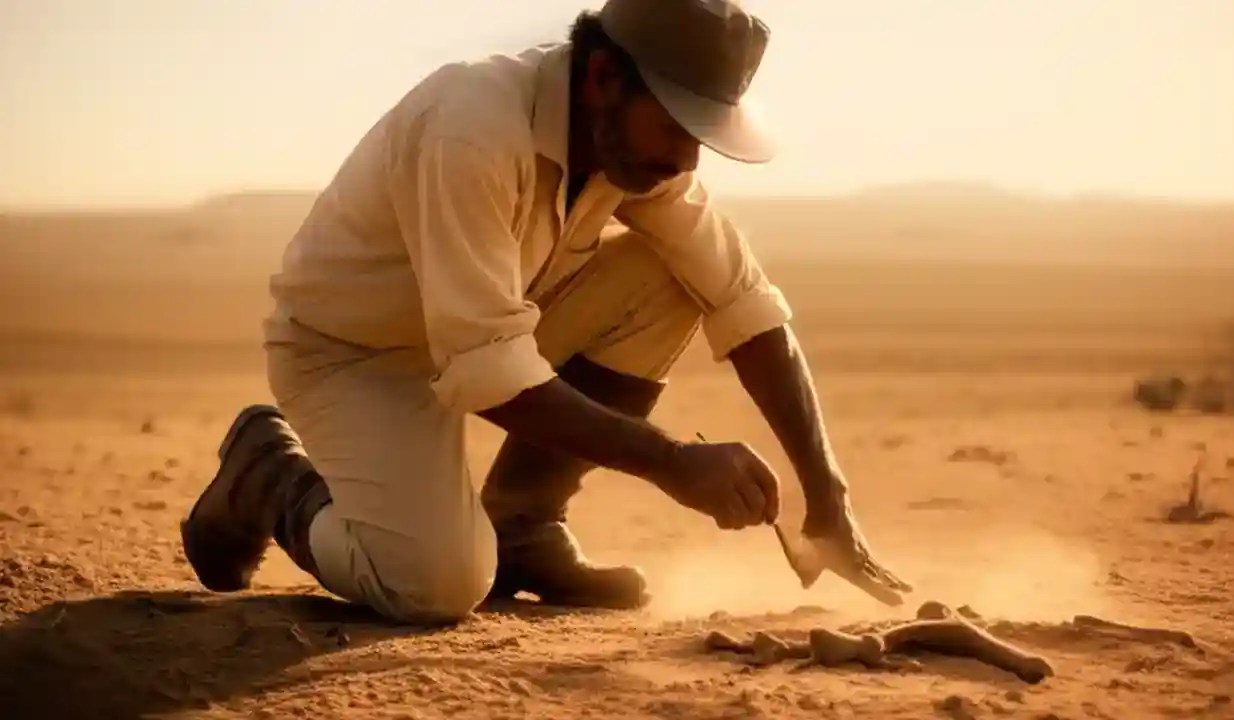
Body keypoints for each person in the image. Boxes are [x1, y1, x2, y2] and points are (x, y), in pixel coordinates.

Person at [181, 0, 906, 625]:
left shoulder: (634, 153)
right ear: (601, 79)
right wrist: (672, 463)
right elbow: (489, 371)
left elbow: (743, 300)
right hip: (354, 354)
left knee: (670, 273)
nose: (688, 159)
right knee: (436, 586)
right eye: (679, 126)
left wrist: (827, 496)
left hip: (477, 332)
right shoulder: (473, 128)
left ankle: (523, 523)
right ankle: (270, 475)